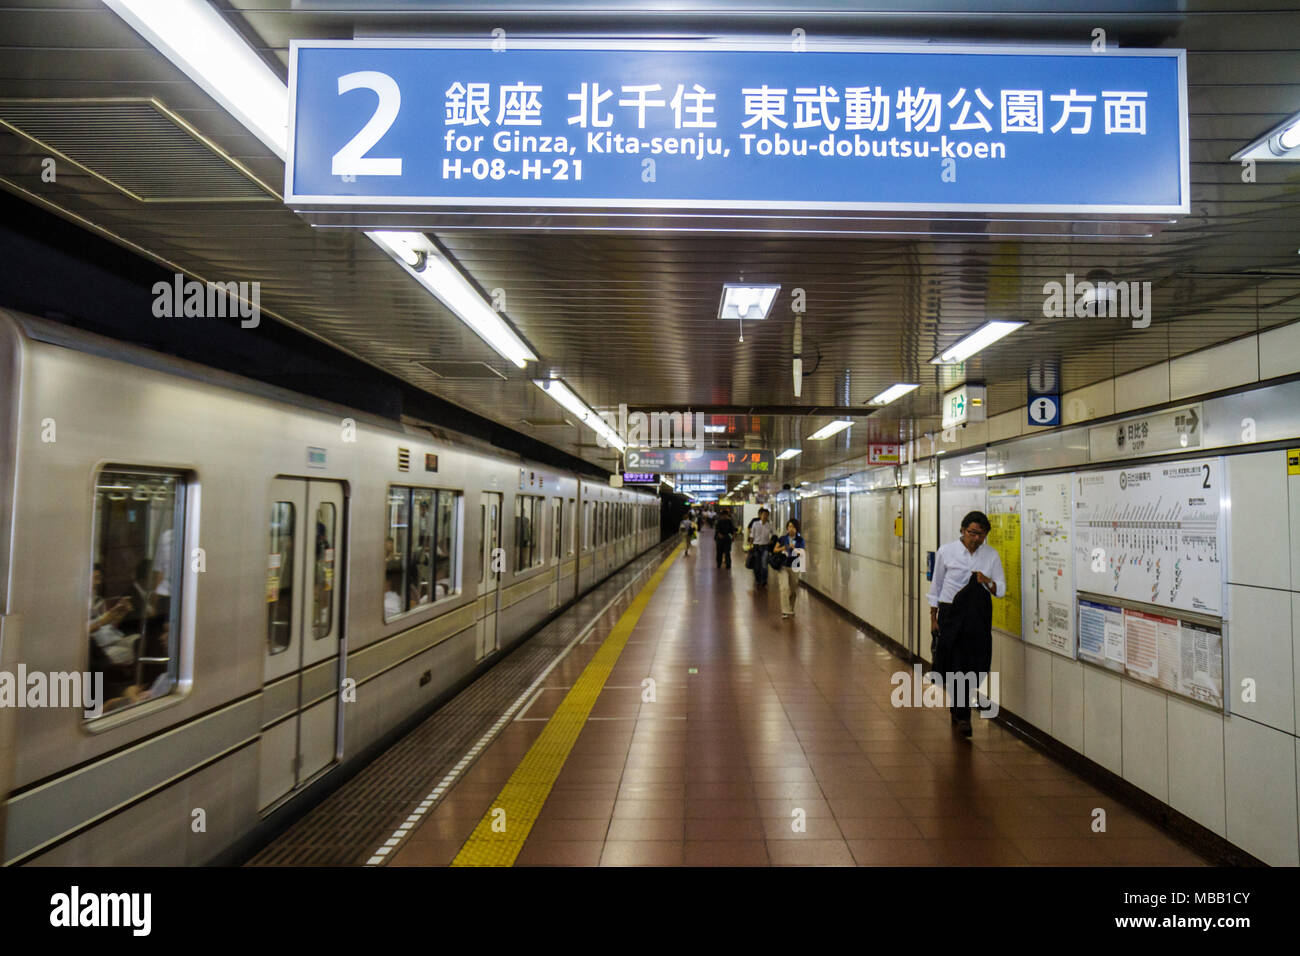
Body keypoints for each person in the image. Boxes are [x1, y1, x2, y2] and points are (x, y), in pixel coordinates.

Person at [927, 511, 1005, 737]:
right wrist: (933, 618)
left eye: (982, 535)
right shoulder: (946, 552)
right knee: (956, 662)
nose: (976, 539)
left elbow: (1001, 589)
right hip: (951, 613)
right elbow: (937, 585)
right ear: (962, 530)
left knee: (977, 663)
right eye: (972, 533)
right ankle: (963, 715)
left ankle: (959, 704)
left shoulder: (991, 555)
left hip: (977, 615)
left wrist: (987, 581)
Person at [772, 519, 806, 618]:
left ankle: (791, 607)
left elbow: (802, 552)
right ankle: (785, 611)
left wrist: (794, 548)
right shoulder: (783, 538)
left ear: (797, 529)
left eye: (793, 527)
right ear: (787, 528)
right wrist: (784, 548)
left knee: (793, 589)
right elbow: (775, 549)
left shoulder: (800, 540)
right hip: (783, 565)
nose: (791, 529)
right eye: (789, 526)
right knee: (784, 588)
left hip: (794, 566)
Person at [748, 508, 775, 588]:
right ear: (760, 515)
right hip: (756, 546)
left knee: (764, 564)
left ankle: (764, 581)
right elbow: (752, 536)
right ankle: (758, 579)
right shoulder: (755, 524)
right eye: (763, 514)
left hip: (765, 547)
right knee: (757, 565)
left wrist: (771, 540)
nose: (765, 516)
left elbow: (774, 534)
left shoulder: (769, 525)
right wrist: (750, 547)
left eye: (767, 515)